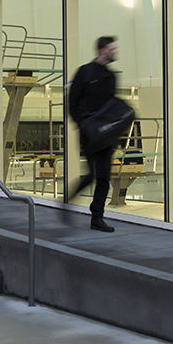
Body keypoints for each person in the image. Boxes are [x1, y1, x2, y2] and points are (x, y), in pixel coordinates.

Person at [67, 36, 121, 233]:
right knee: (92, 174)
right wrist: (82, 125)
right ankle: (68, 199)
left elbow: (112, 107)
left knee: (104, 177)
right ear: (102, 50)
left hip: (105, 134)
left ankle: (97, 218)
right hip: (88, 132)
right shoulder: (85, 72)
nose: (115, 51)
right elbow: (72, 101)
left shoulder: (112, 77)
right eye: (111, 48)